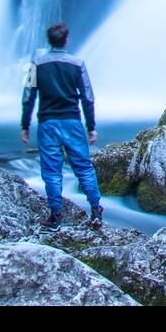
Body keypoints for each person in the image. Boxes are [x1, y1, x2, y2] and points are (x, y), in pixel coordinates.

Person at [20, 22, 103, 227]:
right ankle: (96, 210)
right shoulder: (78, 64)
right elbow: (87, 97)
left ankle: (55, 214)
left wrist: (25, 126)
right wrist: (91, 127)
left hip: (48, 123)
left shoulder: (35, 64)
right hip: (72, 122)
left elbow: (28, 96)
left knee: (51, 171)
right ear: (66, 41)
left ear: (49, 41)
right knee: (83, 167)